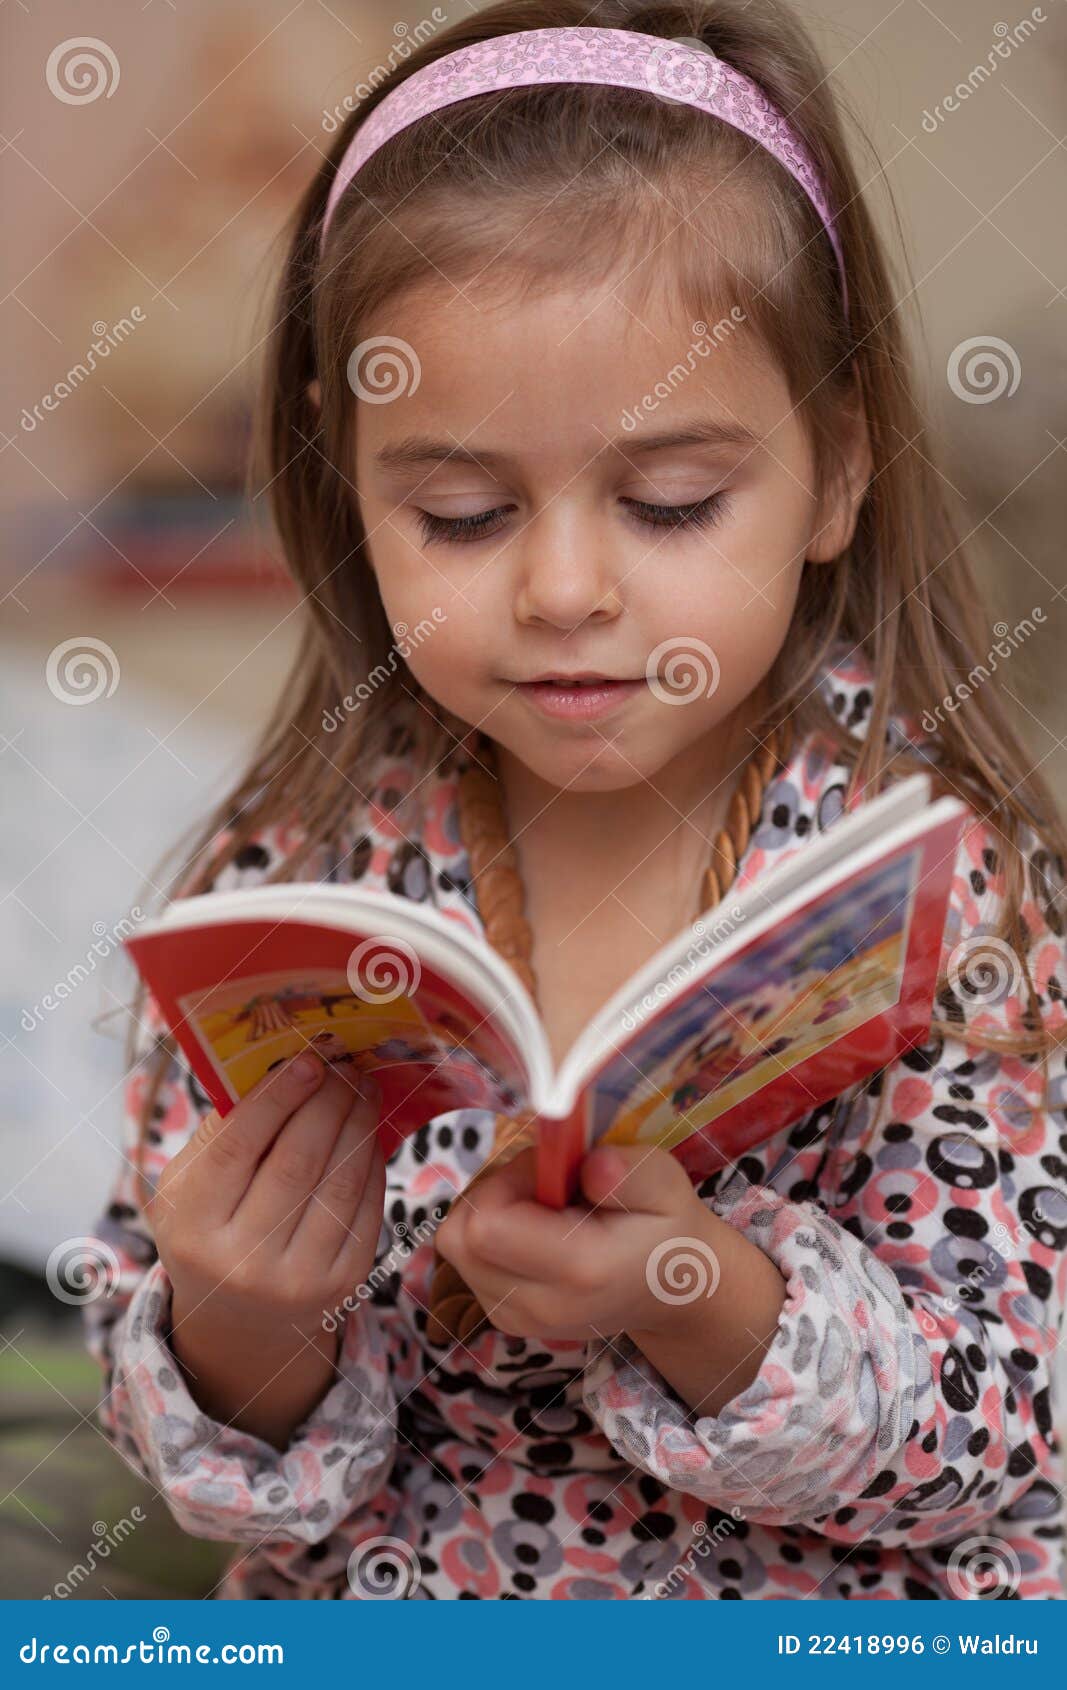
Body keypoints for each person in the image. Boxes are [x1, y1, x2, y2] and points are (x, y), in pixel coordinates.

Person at [83, 0, 1067, 1599]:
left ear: (837, 467)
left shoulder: (958, 891)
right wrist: (243, 1320)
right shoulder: (289, 884)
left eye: (671, 502)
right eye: (461, 514)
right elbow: (228, 1494)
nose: (562, 588)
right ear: (350, 485)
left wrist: (697, 1292)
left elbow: (1012, 1418)